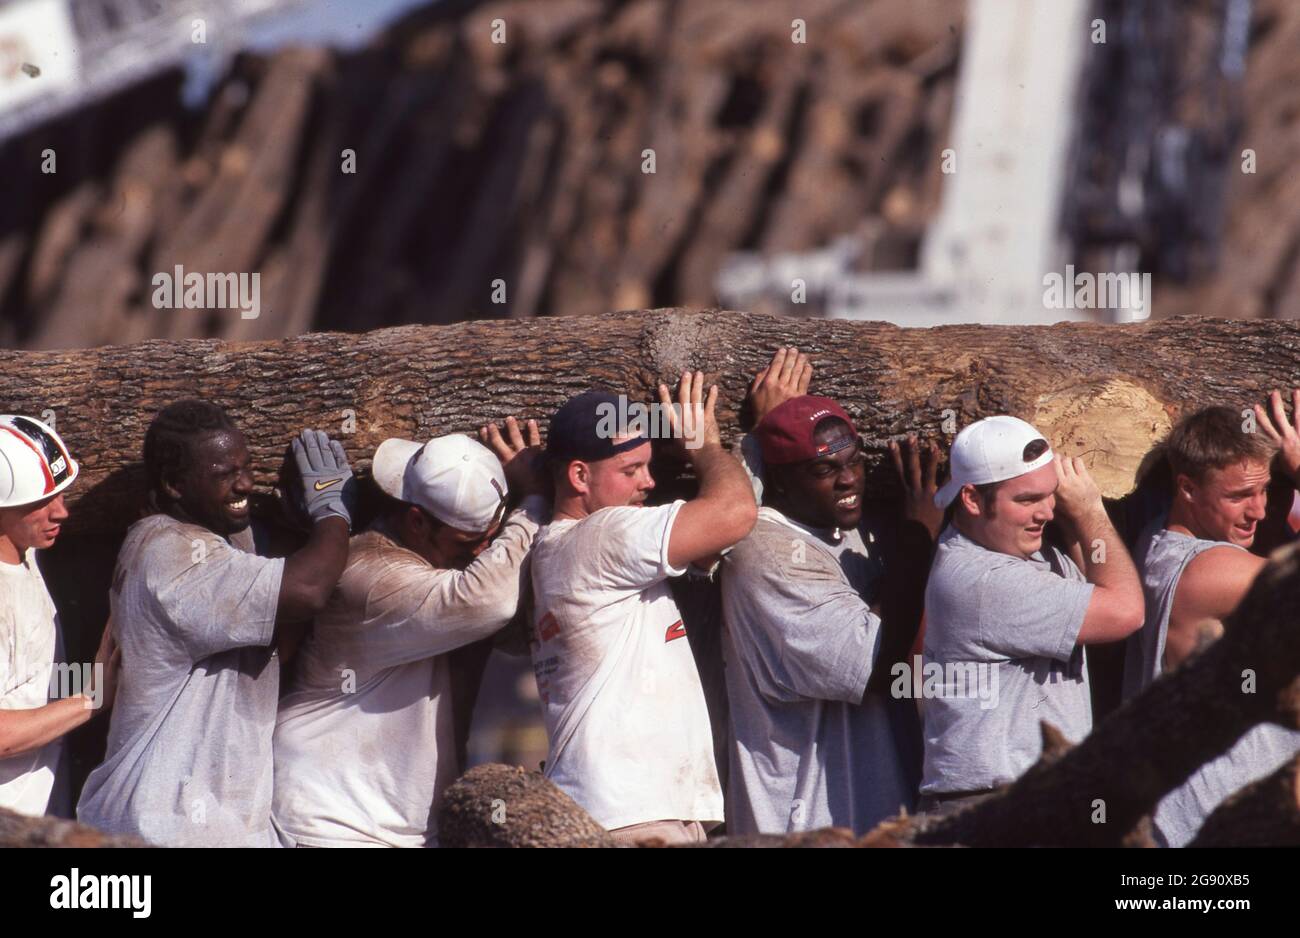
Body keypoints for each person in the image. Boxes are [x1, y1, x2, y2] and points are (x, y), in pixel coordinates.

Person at [77, 401, 354, 846]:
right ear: (174, 484)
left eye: (247, 467)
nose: (244, 483)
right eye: (225, 474)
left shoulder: (209, 533)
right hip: (164, 826)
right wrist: (332, 509)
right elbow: (308, 589)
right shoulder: (173, 557)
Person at [272, 421, 549, 847]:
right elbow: (491, 600)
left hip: (395, 825)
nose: (481, 555)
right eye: (468, 542)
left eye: (489, 542)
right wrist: (534, 501)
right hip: (328, 821)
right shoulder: (370, 575)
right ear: (417, 522)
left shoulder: (433, 562)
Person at [719, 350, 943, 835]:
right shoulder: (765, 553)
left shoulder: (854, 526)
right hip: (803, 828)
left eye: (854, 462)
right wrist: (919, 536)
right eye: (823, 471)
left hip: (881, 821)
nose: (847, 480)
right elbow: (877, 665)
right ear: (778, 481)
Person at [528, 373, 757, 845]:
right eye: (630, 471)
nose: (648, 483)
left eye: (649, 467)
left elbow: (705, 548)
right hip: (634, 815)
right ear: (578, 476)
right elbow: (735, 513)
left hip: (625, 809)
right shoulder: (603, 535)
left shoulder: (558, 547)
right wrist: (704, 446)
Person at [919, 415, 1144, 812]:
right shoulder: (985, 580)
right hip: (994, 810)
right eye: (1027, 500)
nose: (1047, 513)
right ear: (971, 499)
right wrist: (1091, 510)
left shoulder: (1017, 549)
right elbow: (1125, 612)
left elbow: (1093, 580)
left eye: (1050, 495)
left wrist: (1076, 524)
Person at [1123, 397, 1300, 846]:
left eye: (1266, 490)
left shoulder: (1156, 540)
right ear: (1186, 487)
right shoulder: (1211, 571)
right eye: (1239, 496)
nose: (1258, 511)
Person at [0, 415, 118, 817]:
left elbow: (36, 680)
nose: (61, 512)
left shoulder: (26, 554)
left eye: (63, 495)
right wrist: (92, 698)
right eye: (40, 502)